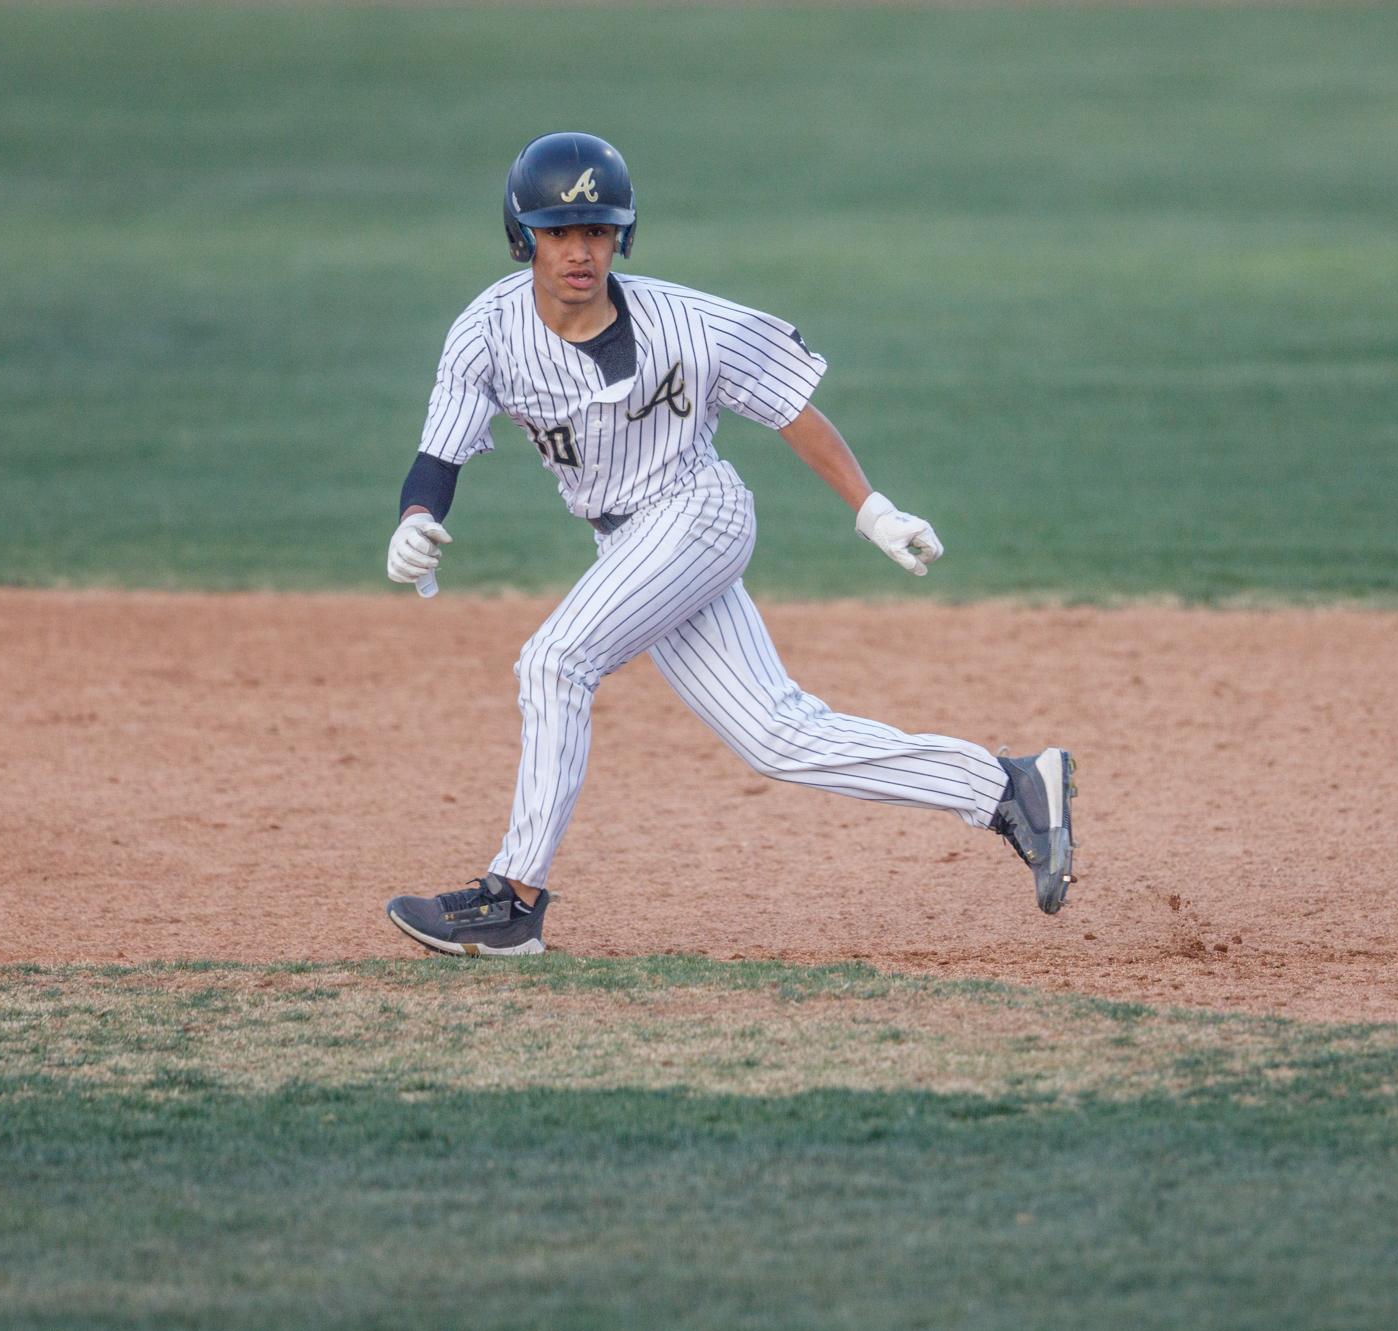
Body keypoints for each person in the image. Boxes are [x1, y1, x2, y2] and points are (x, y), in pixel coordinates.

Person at [382, 132, 1076, 957]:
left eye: (598, 230)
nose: (580, 250)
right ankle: (1008, 786)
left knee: (553, 661)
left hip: (699, 513)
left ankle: (513, 898)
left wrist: (872, 509)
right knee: (779, 736)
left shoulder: (687, 322)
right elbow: (440, 450)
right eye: (560, 231)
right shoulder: (486, 331)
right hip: (630, 546)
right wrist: (416, 517)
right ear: (523, 233)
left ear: (621, 236)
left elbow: (790, 407)